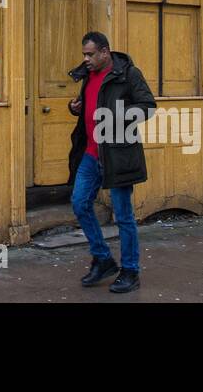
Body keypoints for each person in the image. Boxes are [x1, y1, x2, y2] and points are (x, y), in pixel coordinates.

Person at [67, 30, 156, 293]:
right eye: (84, 54)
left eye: (91, 54)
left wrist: (118, 115)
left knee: (123, 216)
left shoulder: (128, 74)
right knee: (80, 203)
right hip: (92, 152)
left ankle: (131, 271)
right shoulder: (88, 75)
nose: (86, 59)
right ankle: (103, 259)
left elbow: (148, 106)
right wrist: (76, 107)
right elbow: (90, 105)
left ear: (105, 52)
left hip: (119, 154)